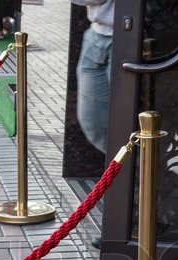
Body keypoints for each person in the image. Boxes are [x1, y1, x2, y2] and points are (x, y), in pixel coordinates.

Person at [73, 0, 116, 154]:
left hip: (133, 36)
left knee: (128, 118)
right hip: (97, 35)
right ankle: (134, 172)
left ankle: (144, 174)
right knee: (92, 122)